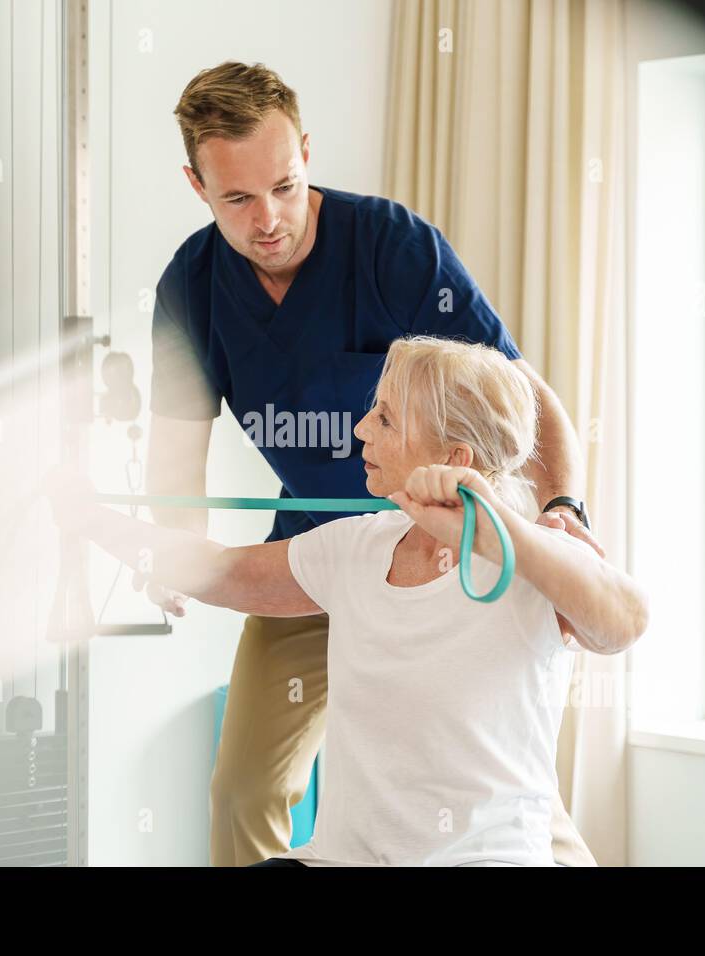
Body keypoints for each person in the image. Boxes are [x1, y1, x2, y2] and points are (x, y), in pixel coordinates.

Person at [147, 61, 604, 866]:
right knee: (243, 791)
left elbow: (528, 401)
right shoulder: (193, 286)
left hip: (443, 553)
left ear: (308, 153)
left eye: (285, 186)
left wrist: (565, 509)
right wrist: (173, 544)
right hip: (317, 558)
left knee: (502, 792)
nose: (270, 219)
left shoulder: (393, 248)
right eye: (238, 199)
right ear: (196, 184)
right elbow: (176, 450)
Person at [47, 336, 648, 866]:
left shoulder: (537, 558)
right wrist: (90, 520)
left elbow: (625, 622)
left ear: (455, 458)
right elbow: (222, 572)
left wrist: (495, 532)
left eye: (385, 419)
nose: (361, 430)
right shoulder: (358, 546)